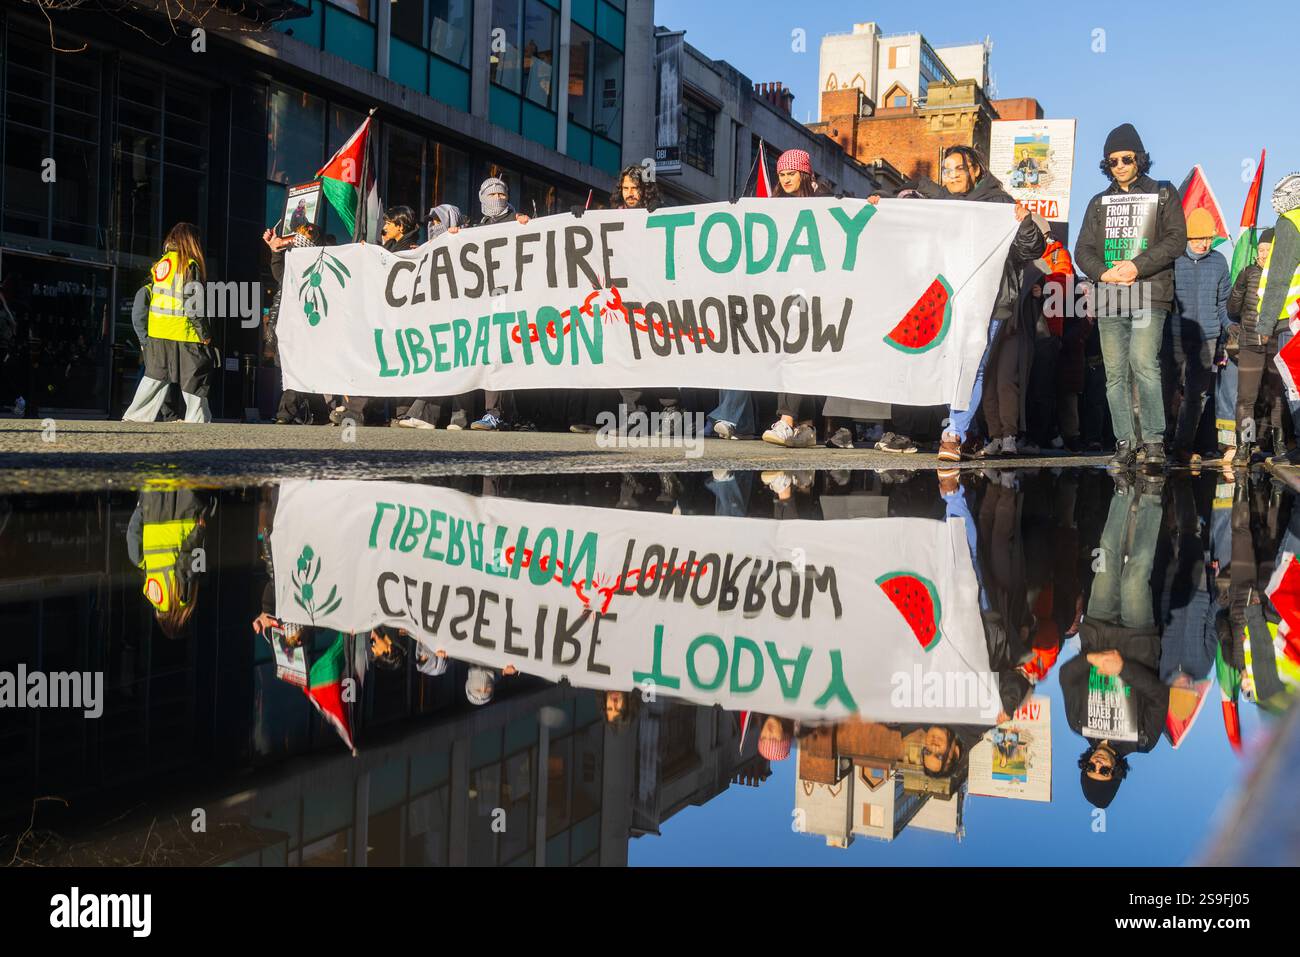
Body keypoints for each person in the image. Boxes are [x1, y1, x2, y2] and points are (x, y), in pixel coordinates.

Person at [1074, 123, 1188, 470]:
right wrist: (1103, 273)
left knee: (1143, 362)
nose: (1120, 165)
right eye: (1112, 161)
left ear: (1139, 158)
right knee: (1114, 374)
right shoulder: (1098, 203)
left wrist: (1137, 266)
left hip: (1150, 293)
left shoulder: (1163, 193)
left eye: (1126, 158)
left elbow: (1176, 240)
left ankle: (1153, 441)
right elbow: (1082, 250)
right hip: (1110, 296)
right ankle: (1125, 441)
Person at [923, 146, 1045, 462]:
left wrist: (1026, 224)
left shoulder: (999, 203)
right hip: (951, 299)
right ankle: (966, 429)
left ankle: (954, 433)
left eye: (958, 169)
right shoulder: (943, 205)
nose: (951, 176)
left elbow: (1029, 250)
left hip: (990, 302)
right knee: (952, 365)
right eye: (946, 170)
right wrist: (880, 204)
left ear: (975, 169)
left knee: (974, 367)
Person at [448, 178, 531, 432]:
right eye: (492, 194)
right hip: (482, 301)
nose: (498, 198)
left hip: (507, 299)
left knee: (498, 354)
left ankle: (494, 413)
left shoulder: (517, 221)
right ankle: (508, 415)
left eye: (502, 194)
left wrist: (527, 225)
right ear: (482, 198)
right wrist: (455, 237)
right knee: (484, 354)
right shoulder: (478, 227)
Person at [331, 206, 423, 427]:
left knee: (386, 362)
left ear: (400, 226)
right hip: (383, 316)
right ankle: (365, 410)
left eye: (389, 223)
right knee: (377, 362)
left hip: (398, 317)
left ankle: (365, 411)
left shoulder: (411, 249)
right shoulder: (389, 246)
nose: (384, 227)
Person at [121, 222, 214, 423]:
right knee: (195, 379)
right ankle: (198, 421)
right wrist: (204, 334)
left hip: (158, 332)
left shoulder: (161, 265)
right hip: (185, 332)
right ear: (191, 241)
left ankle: (135, 416)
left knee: (155, 378)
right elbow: (193, 303)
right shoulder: (189, 265)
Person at [761, 149, 822, 449]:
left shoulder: (824, 202)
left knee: (796, 353)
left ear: (804, 174)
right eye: (782, 174)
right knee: (791, 354)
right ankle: (806, 426)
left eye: (791, 173)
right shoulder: (775, 207)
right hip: (783, 291)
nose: (785, 179)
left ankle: (786, 421)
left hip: (812, 291)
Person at [396, 204, 474, 430]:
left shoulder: (468, 239)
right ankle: (430, 415)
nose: (433, 226)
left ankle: (457, 416)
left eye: (438, 221)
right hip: (438, 315)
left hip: (464, 313)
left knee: (462, 363)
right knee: (441, 363)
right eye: (431, 222)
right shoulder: (426, 248)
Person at [1164, 207, 1232, 465]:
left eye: (1208, 238)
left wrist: (1230, 328)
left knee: (1196, 395)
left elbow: (1223, 303)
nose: (1204, 243)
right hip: (1175, 334)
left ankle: (1183, 447)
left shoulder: (1219, 261)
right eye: (1198, 238)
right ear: (1187, 237)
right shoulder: (1173, 259)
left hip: (1207, 337)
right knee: (1166, 391)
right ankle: (1161, 442)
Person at [1254, 173, 1300, 465]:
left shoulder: (1290, 222)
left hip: (1290, 317)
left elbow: (1280, 277)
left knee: (1295, 384)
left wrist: (1265, 322)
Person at [263, 222, 326, 425]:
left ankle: (286, 412)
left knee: (296, 368)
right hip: (285, 321)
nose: (293, 243)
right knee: (293, 369)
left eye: (298, 239)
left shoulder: (318, 265)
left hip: (304, 323)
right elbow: (279, 274)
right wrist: (276, 251)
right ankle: (320, 411)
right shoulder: (292, 263)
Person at [1231, 227, 1276, 462]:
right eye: (1261, 249)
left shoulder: (1286, 274)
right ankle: (1244, 446)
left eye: (1269, 249)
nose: (1264, 254)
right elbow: (1232, 307)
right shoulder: (1247, 273)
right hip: (1250, 342)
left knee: (1277, 397)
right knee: (1246, 397)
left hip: (1276, 343)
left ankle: (1279, 446)